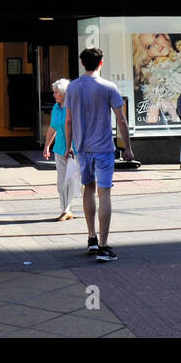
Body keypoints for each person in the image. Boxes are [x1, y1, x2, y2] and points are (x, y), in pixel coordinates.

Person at [63, 47, 133, 263]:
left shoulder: (73, 87)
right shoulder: (108, 87)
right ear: (101, 63)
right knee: (105, 194)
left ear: (83, 63)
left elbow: (68, 121)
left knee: (88, 189)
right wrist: (128, 148)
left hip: (82, 148)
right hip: (103, 148)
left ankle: (92, 238)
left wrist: (68, 146)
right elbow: (121, 119)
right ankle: (103, 246)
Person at [42, 78, 79, 221]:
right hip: (59, 149)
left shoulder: (74, 107)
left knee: (75, 181)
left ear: (64, 93)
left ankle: (71, 208)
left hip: (74, 151)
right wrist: (47, 146)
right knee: (61, 182)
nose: (54, 95)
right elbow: (52, 129)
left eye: (56, 92)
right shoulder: (55, 108)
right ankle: (65, 209)